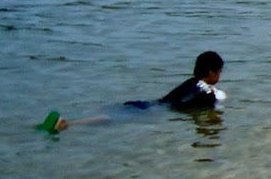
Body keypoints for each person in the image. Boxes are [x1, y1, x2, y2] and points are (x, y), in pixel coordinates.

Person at [39, 51, 227, 132]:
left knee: (111, 113)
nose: (220, 75)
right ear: (211, 72)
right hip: (153, 111)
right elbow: (210, 112)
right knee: (109, 119)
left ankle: (72, 120)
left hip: (147, 103)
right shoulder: (208, 94)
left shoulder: (191, 82)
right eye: (219, 71)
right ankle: (67, 124)